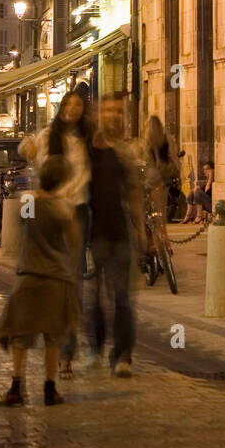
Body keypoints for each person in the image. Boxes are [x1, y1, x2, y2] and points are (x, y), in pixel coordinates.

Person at [0, 154, 77, 408]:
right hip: (56, 277)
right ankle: (50, 389)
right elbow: (73, 242)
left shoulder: (28, 201)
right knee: (52, 337)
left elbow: (20, 227)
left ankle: (16, 387)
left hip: (28, 276)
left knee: (20, 334)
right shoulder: (64, 208)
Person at [21, 87, 93, 379]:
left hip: (76, 212)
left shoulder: (88, 140)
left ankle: (67, 354)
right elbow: (30, 151)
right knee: (53, 281)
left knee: (72, 283)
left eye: (78, 104)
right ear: (63, 107)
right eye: (69, 103)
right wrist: (27, 146)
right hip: (52, 211)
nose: (73, 108)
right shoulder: (50, 135)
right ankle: (52, 343)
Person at [86, 93, 145, 377]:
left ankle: (123, 356)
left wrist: (142, 230)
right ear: (99, 114)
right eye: (107, 110)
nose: (113, 115)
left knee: (122, 297)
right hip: (92, 233)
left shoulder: (126, 150)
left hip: (120, 232)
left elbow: (134, 191)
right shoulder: (87, 149)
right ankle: (95, 347)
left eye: (117, 111)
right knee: (94, 296)